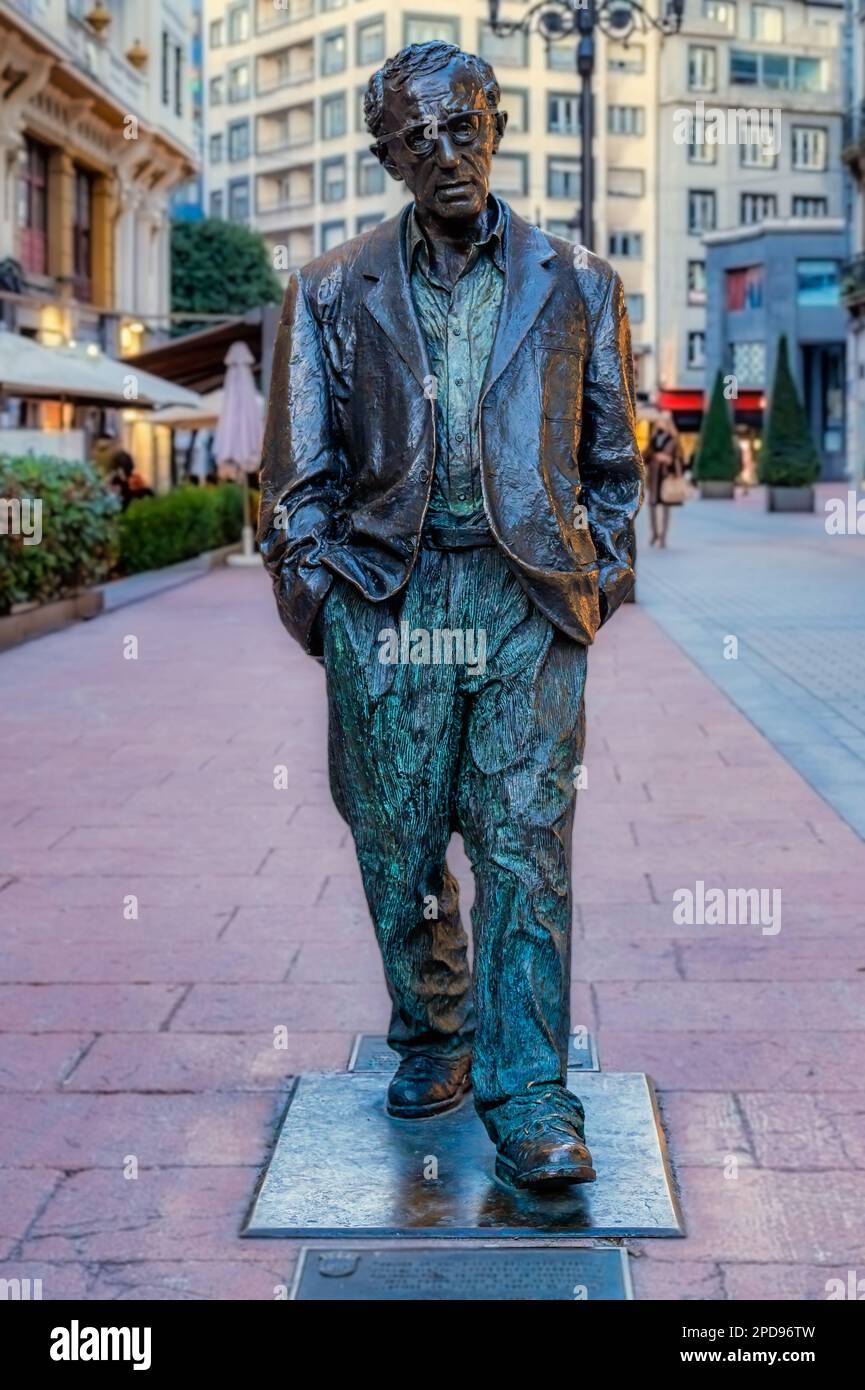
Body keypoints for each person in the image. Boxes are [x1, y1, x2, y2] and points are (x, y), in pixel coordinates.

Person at [258, 41, 643, 1191]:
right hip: (389, 597)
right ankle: (433, 1030)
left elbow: (613, 461)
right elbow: (294, 485)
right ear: (387, 157)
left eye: (461, 125)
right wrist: (326, 607)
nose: (446, 153)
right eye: (417, 138)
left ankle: (529, 1092)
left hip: (525, 598)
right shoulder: (330, 290)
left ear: (498, 122)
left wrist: (595, 584)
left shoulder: (578, 281)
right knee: (400, 845)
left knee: (527, 847)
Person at [645, 411, 684, 548]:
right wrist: (656, 456)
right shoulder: (654, 438)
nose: (659, 423)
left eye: (662, 421)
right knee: (652, 506)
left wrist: (669, 461)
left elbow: (679, 458)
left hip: (666, 475)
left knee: (666, 507)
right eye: (659, 420)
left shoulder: (673, 440)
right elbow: (646, 456)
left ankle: (663, 536)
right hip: (654, 477)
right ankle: (655, 533)